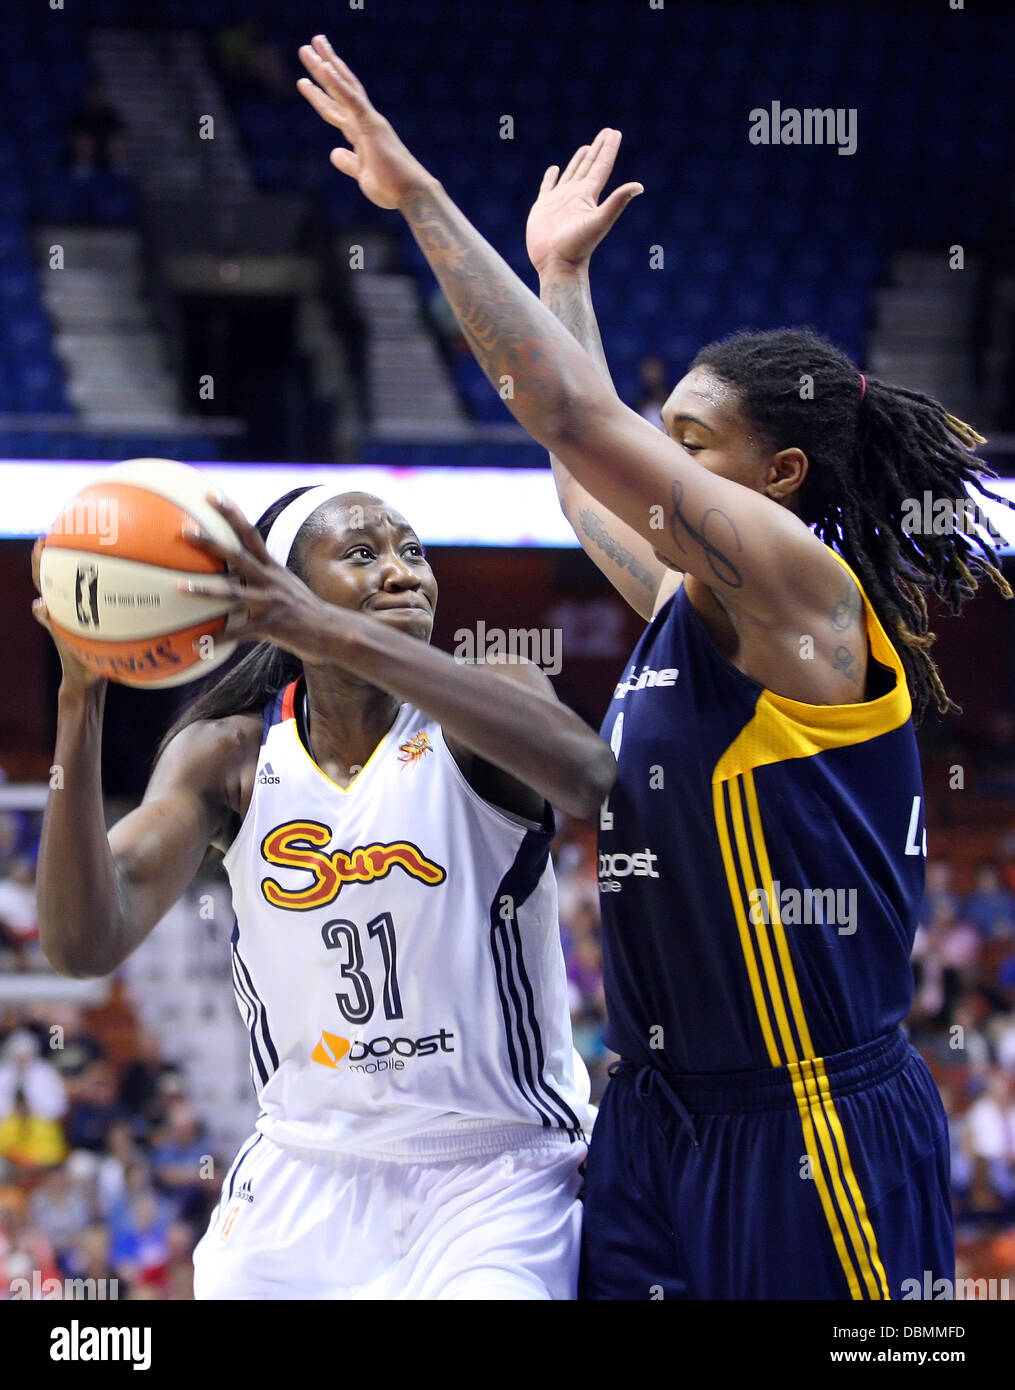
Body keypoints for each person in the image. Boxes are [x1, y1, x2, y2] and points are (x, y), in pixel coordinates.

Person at [294, 35, 1013, 1297]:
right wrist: (559, 275)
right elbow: (581, 480)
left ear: (780, 479)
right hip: (653, 1114)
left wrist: (419, 199)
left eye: (687, 440)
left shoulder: (801, 593)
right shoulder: (694, 600)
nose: (657, 458)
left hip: (808, 1126)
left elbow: (571, 416)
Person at [32, 486, 614, 1300]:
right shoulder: (227, 755)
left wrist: (330, 630)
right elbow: (81, 944)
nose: (403, 572)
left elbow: (589, 780)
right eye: (362, 553)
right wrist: (79, 699)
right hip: (303, 1168)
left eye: (412, 551)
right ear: (283, 587)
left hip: (494, 1171)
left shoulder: (478, 703)